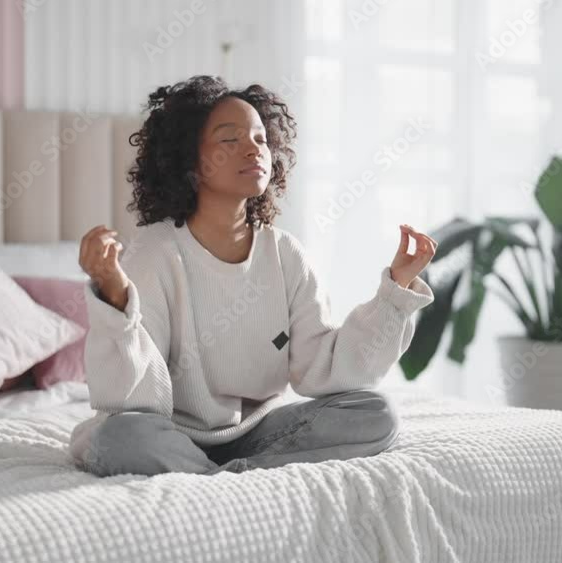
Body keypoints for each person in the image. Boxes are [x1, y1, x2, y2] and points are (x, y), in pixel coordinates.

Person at [69, 75, 436, 477]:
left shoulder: (286, 254)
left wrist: (396, 291)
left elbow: (327, 370)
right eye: (230, 140)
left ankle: (224, 476)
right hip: (165, 433)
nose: (253, 150)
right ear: (190, 163)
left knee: (376, 414)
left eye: (261, 139)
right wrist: (117, 296)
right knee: (120, 437)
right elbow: (135, 399)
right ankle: (221, 474)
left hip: (257, 435)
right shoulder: (154, 253)